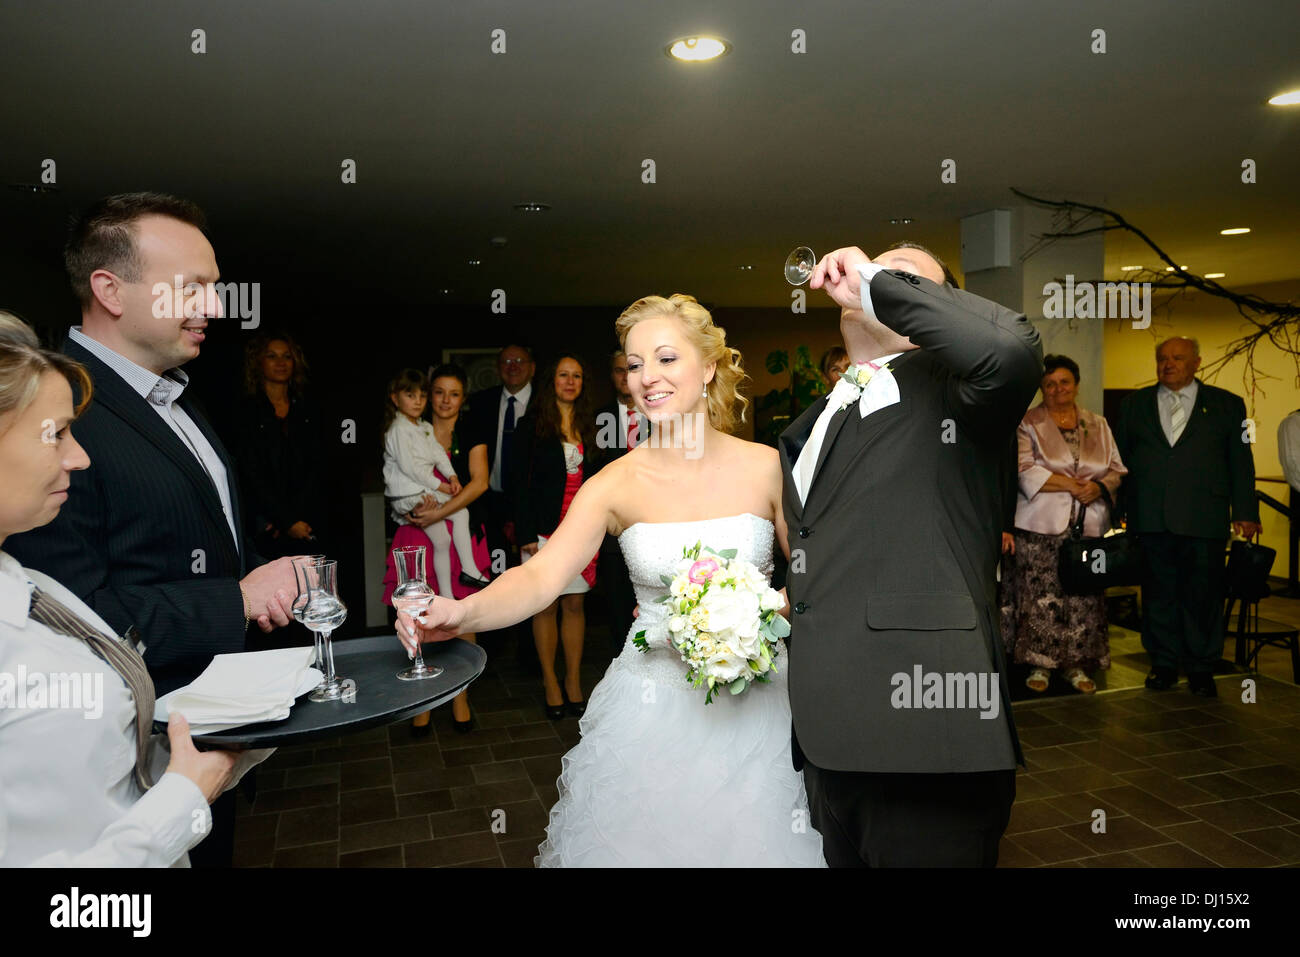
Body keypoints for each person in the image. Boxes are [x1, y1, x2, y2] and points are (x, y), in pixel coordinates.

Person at [397, 295, 825, 867]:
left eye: (666, 359)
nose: (647, 377)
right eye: (634, 363)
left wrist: (767, 613)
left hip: (760, 710)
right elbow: (543, 575)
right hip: (651, 715)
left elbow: (811, 575)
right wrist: (462, 612)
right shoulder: (613, 483)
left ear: (710, 367)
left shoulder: (767, 466)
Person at [5, 192, 301, 867]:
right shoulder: (50, 420)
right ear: (109, 289)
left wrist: (266, 577)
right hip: (118, 780)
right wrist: (238, 600)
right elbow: (71, 614)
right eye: (193, 287)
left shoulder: (181, 394)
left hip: (202, 754)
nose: (216, 307)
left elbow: (212, 539)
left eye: (216, 287)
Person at [791, 242, 1042, 867]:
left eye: (904, 279)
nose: (868, 277)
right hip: (831, 743)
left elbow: (1009, 346)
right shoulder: (807, 426)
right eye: (879, 269)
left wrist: (876, 281)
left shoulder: (965, 395)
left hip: (929, 732)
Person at [1114, 336, 1261, 697]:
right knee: (1158, 593)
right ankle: (1163, 664)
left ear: (1197, 362)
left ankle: (1201, 667)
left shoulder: (1228, 406)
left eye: (1178, 358)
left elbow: (1241, 462)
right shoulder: (1134, 405)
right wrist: (1118, 513)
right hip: (1151, 516)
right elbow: (1119, 462)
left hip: (1204, 517)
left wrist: (1245, 511)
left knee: (1203, 595)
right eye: (1162, 358)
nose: (1168, 364)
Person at [1000, 355, 1128, 694]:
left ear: (1076, 385)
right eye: (1050, 384)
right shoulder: (1027, 423)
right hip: (1038, 528)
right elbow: (1023, 470)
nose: (1058, 389)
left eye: (1064, 382)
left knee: (1083, 598)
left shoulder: (1097, 423)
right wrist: (1073, 485)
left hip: (1088, 529)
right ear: (1041, 388)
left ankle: (1076, 666)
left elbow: (1116, 469)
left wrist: (1098, 487)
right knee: (1041, 598)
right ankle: (1039, 667)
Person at [511, 354, 601, 720]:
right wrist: (524, 532)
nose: (570, 381)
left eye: (577, 375)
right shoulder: (531, 425)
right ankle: (550, 681)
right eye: (563, 374)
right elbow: (517, 484)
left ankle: (573, 681)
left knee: (575, 605)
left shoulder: (593, 426)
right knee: (545, 605)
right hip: (541, 532)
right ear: (552, 382)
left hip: (580, 530)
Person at [461, 343, 537, 671]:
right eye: (506, 361)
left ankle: (530, 651)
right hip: (489, 504)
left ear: (532, 367)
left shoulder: (543, 404)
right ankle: (491, 649)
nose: (513, 365)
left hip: (532, 508)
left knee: (531, 577)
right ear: (497, 367)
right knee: (495, 573)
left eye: (520, 360)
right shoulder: (481, 403)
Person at [383, 367, 490, 597]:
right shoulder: (408, 428)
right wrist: (408, 511)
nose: (445, 400)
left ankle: (464, 574)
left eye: (454, 394)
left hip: (456, 526)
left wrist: (440, 511)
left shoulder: (469, 430)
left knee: (464, 617)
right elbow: (398, 477)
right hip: (418, 526)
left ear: (463, 398)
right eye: (439, 392)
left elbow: (480, 483)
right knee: (420, 618)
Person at [234, 332, 329, 559]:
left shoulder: (308, 409)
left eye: (287, 356)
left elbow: (318, 466)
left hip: (307, 524)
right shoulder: (247, 411)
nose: (280, 362)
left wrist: (296, 520)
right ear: (259, 363)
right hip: (265, 528)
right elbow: (250, 473)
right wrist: (284, 520)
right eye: (271, 356)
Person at [594, 350, 644, 656]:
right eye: (619, 370)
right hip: (612, 531)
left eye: (631, 369)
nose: (625, 377)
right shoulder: (598, 418)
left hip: (654, 524)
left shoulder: (661, 416)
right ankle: (623, 661)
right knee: (616, 604)